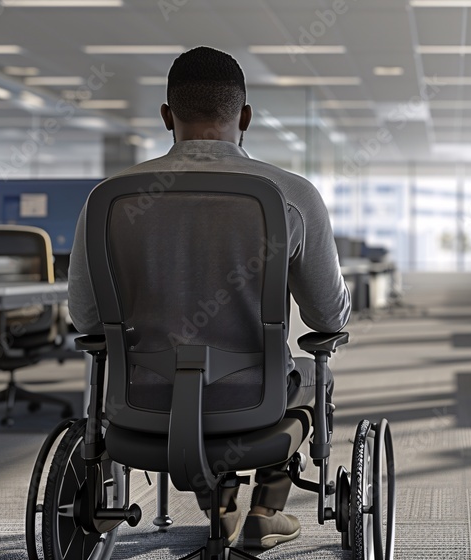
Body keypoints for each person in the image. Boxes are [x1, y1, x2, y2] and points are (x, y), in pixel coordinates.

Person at [67, 46, 351, 549]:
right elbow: (326, 315)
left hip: (139, 403)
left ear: (165, 116)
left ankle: (220, 505)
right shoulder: (291, 194)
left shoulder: (109, 198)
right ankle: (266, 509)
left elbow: (86, 319)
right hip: (254, 405)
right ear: (245, 117)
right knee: (313, 375)